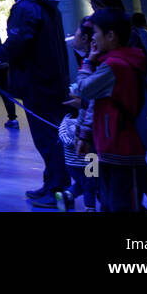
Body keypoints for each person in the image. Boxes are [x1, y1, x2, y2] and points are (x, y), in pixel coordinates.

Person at [89, 0, 147, 211]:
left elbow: (89, 87)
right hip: (120, 119)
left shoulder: (120, 52)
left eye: (97, 8)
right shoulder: (134, 37)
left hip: (122, 118)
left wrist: (88, 60)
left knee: (129, 175)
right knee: (132, 172)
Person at [0, 0, 69, 208]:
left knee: (46, 138)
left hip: (36, 82)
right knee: (51, 134)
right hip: (52, 79)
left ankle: (57, 188)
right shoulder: (49, 6)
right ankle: (51, 183)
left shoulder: (26, 7)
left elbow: (19, 43)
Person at [71, 8, 147, 212]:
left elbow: (84, 90)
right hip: (108, 145)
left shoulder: (113, 65)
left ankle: (86, 202)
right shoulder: (115, 61)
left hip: (119, 147)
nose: (92, 38)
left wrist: (87, 62)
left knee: (122, 203)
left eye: (95, 32)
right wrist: (85, 133)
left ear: (110, 35)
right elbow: (94, 103)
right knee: (111, 199)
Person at [59, 16, 98, 211]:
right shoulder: (92, 63)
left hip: (72, 161)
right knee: (92, 180)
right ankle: (90, 207)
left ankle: (68, 194)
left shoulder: (66, 123)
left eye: (76, 32)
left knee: (85, 181)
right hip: (90, 152)